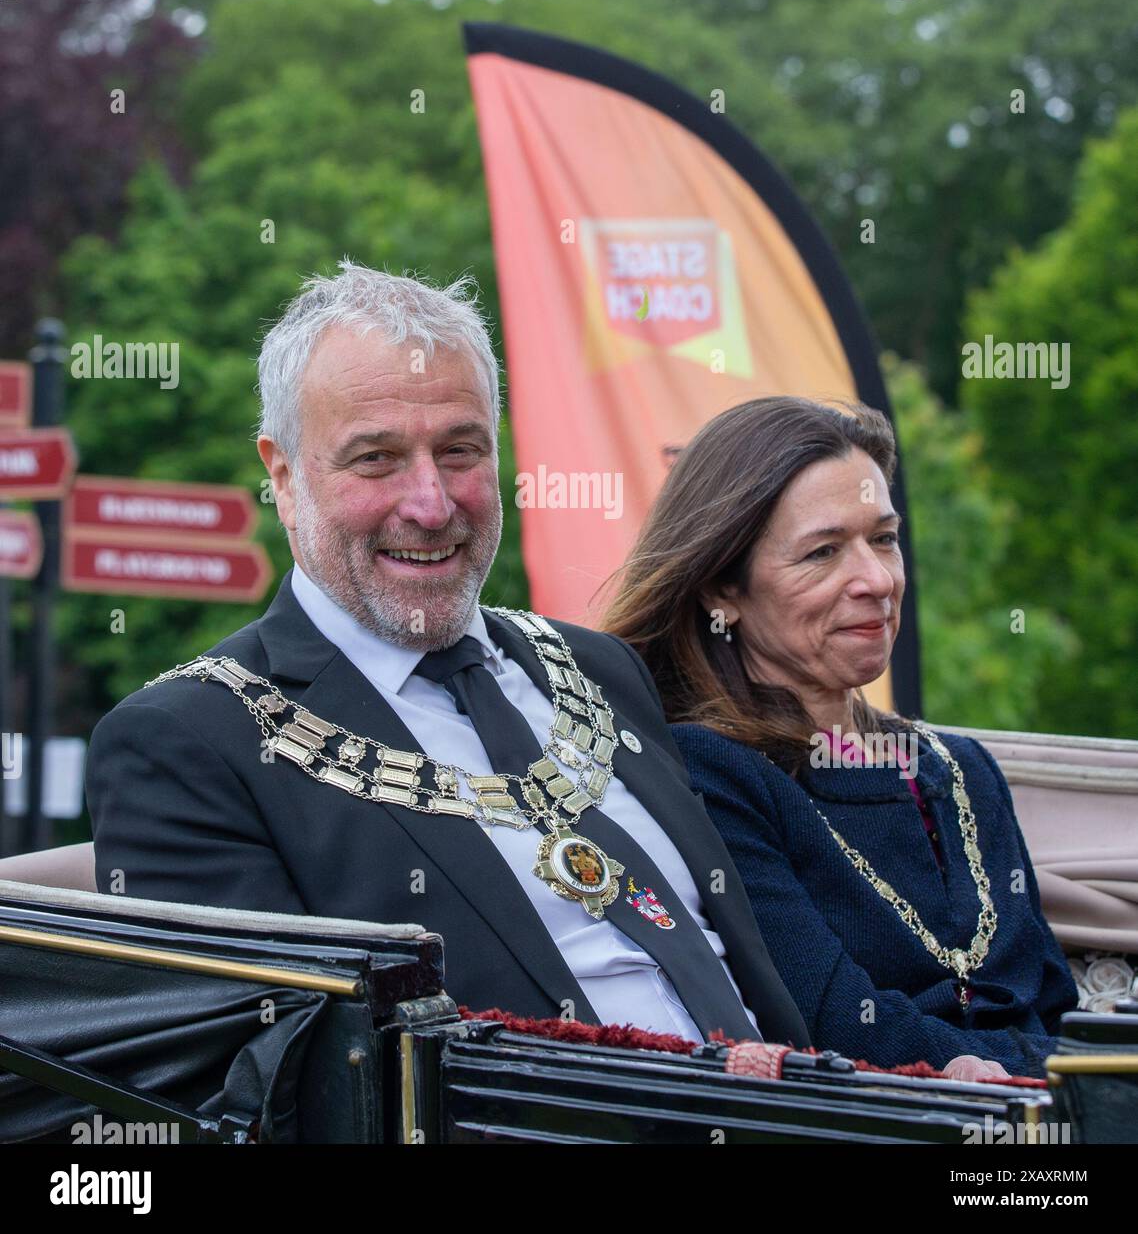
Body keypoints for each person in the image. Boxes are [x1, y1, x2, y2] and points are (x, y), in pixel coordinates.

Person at [85, 262, 809, 1050]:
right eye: (376, 459)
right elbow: (273, 1082)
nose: (431, 505)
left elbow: (760, 960)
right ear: (284, 478)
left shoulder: (601, 669)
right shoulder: (189, 741)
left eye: (461, 451)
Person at [602, 395, 1077, 1079]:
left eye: (883, 538)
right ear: (720, 590)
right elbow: (833, 1020)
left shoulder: (963, 771)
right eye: (823, 552)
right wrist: (1009, 1071)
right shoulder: (709, 773)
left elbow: (1056, 1007)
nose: (878, 580)